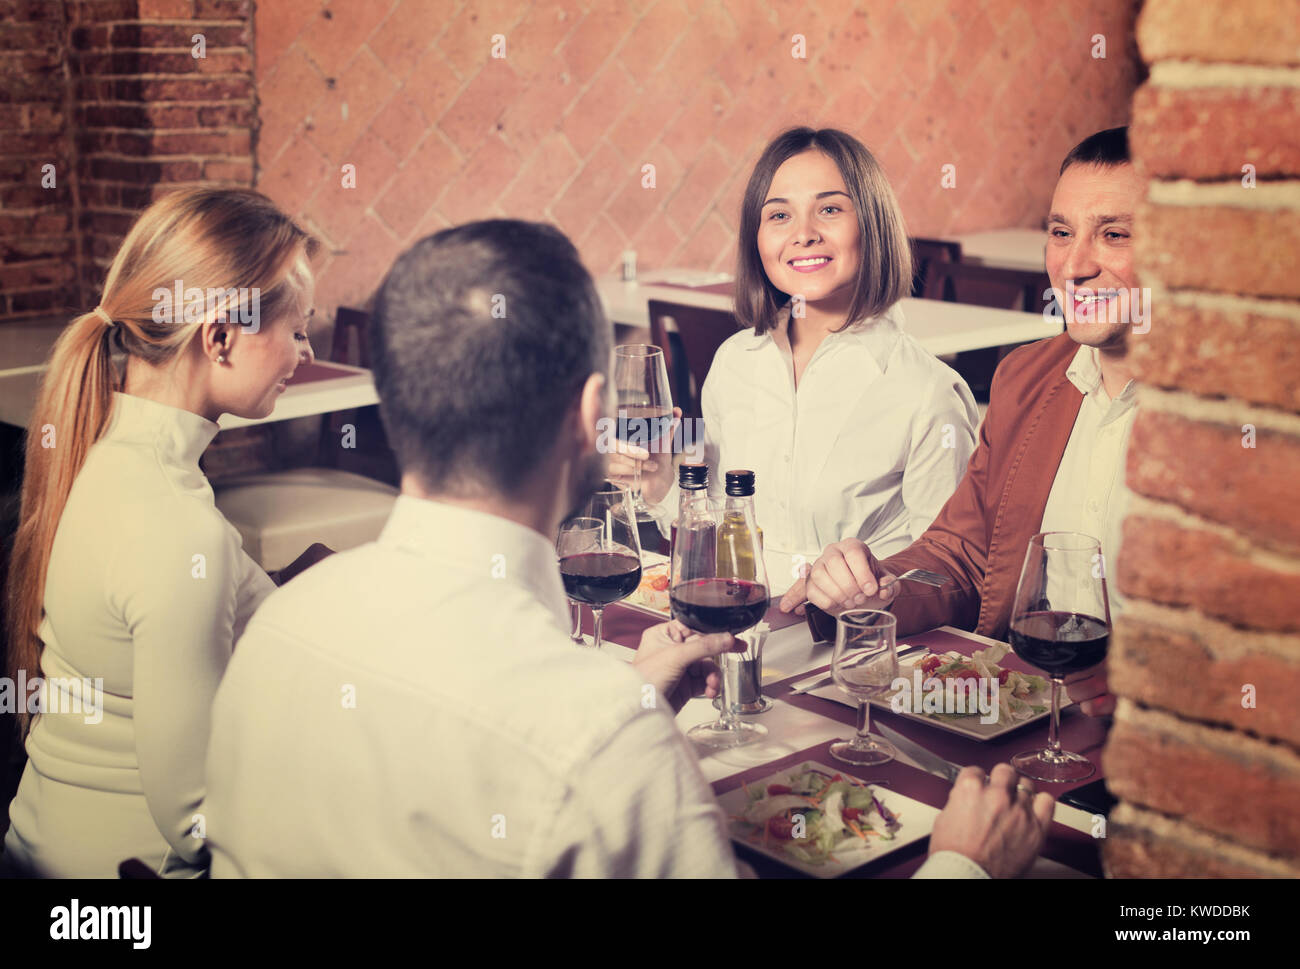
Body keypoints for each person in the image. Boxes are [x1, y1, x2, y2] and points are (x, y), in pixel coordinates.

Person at [202, 219, 1054, 878]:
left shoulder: (278, 627)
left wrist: (622, 691)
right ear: (590, 415)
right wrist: (962, 864)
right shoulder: (604, 745)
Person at [2, 188, 323, 877]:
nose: (307, 349)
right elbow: (197, 820)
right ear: (220, 337)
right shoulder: (178, 529)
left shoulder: (97, 452)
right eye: (298, 329)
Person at [779, 127, 1141, 719]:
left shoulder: (1248, 417)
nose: (1074, 266)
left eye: (1114, 234)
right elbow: (964, 553)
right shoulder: (1026, 380)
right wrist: (879, 588)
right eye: (1060, 233)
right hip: (1023, 722)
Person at [610, 128, 978, 587]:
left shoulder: (929, 393)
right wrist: (660, 483)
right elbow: (720, 520)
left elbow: (948, 577)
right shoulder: (734, 363)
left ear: (873, 223)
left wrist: (872, 590)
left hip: (851, 640)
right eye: (779, 215)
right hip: (735, 617)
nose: (803, 234)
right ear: (756, 237)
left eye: (829, 209)